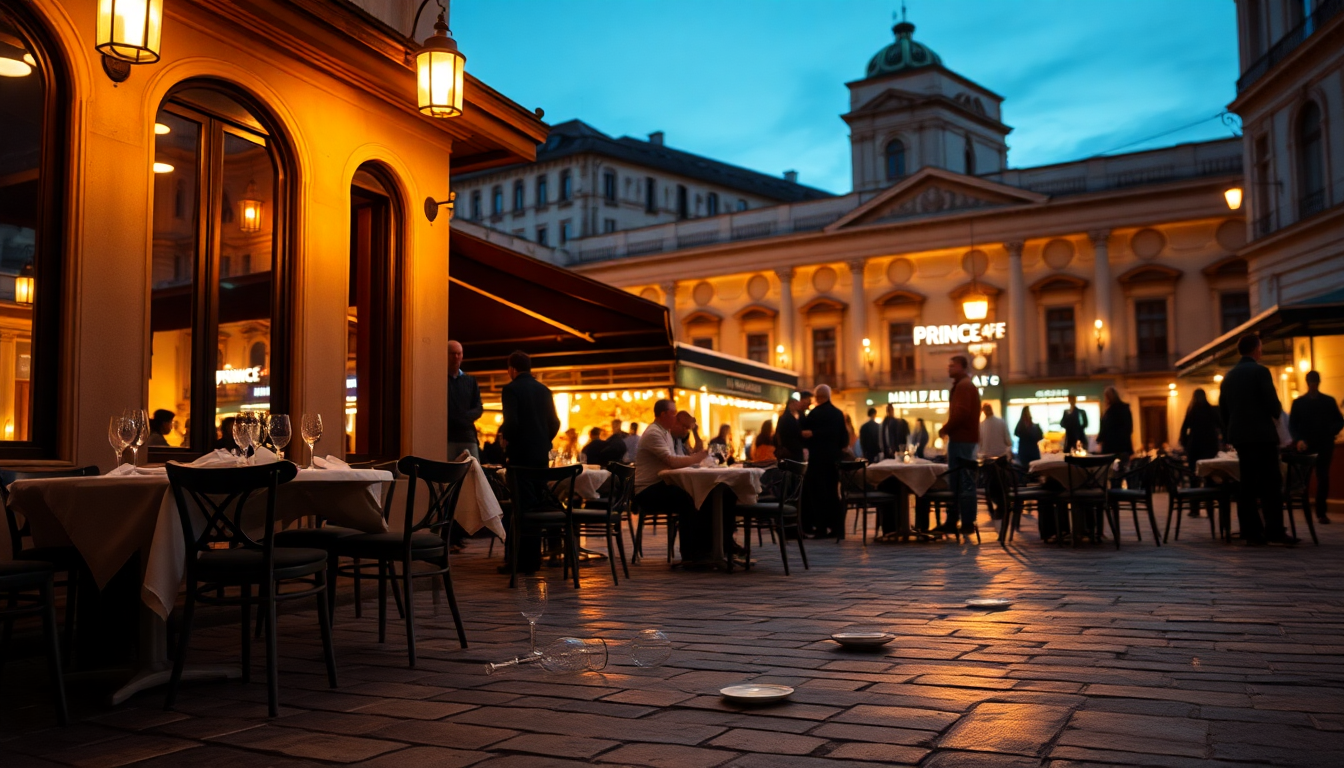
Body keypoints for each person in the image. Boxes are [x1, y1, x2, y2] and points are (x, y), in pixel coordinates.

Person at [1219, 334, 1294, 545]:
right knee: (1271, 483)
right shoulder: (1261, 371)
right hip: (1262, 436)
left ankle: (1251, 532)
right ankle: (1275, 531)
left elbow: (1223, 410)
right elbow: (1273, 405)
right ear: (1256, 350)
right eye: (1261, 347)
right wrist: (1277, 411)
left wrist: (1231, 432)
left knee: (1248, 484)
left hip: (1241, 437)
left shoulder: (1229, 376)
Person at [499, 350, 563, 572]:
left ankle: (523, 561)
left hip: (520, 457)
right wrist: (544, 440)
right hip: (540, 456)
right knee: (536, 504)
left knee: (522, 507)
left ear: (512, 369)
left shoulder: (511, 389)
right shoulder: (544, 390)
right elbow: (555, 421)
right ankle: (533, 559)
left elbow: (512, 421)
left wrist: (507, 440)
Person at [633, 399, 716, 564]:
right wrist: (697, 458)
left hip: (661, 484)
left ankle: (709, 548)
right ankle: (691, 554)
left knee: (704, 495)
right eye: (674, 413)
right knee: (690, 498)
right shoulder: (653, 433)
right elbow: (672, 461)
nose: (676, 417)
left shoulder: (664, 432)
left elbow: (675, 461)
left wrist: (694, 459)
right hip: (647, 490)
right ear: (663, 414)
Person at [935, 355, 981, 535]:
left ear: (962, 367)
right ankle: (958, 520)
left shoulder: (963, 387)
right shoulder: (964, 386)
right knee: (962, 481)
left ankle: (963, 522)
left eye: (952, 366)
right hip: (965, 439)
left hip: (962, 440)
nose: (949, 368)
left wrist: (945, 429)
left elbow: (961, 413)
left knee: (961, 481)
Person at [1290, 371, 1344, 523]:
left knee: (1314, 477)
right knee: (1320, 477)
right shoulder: (1327, 401)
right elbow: (1340, 421)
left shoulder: (1300, 403)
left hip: (1310, 444)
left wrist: (1298, 439)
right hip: (1322, 443)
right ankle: (1320, 512)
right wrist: (1330, 431)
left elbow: (1293, 425)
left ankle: (1314, 510)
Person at [800, 384, 850, 537]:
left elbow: (804, 435)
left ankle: (821, 528)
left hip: (817, 461)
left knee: (818, 495)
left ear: (818, 397)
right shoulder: (838, 413)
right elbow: (844, 439)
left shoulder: (814, 414)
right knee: (833, 493)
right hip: (833, 460)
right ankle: (837, 529)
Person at [1179, 388, 1223, 492]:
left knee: (1194, 475)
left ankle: (1194, 502)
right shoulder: (1212, 410)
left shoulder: (1191, 411)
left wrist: (1185, 444)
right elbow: (1221, 426)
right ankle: (1210, 502)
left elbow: (1184, 429)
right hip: (1210, 446)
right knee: (1210, 475)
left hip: (1194, 446)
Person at [447, 340, 484, 460]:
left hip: (465, 435)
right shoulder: (441, 380)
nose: (456, 357)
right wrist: (465, 417)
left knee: (473, 473)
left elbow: (479, 407)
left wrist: (462, 418)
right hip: (450, 437)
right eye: (453, 354)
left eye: (459, 354)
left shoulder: (470, 381)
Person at [978, 403, 1012, 520]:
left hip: (987, 460)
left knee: (990, 486)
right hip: (1001, 459)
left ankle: (997, 508)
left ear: (983, 411)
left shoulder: (981, 425)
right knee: (1003, 484)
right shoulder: (1001, 422)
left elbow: (979, 444)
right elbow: (1008, 441)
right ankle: (1003, 506)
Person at [1097, 386, 1134, 462]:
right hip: (1123, 446)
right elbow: (1129, 428)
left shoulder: (1110, 411)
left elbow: (1106, 427)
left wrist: (1100, 439)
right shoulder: (1124, 409)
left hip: (1112, 446)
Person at [774, 391, 809, 461]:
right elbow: (780, 433)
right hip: (789, 449)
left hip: (799, 449)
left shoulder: (801, 416)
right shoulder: (785, 417)